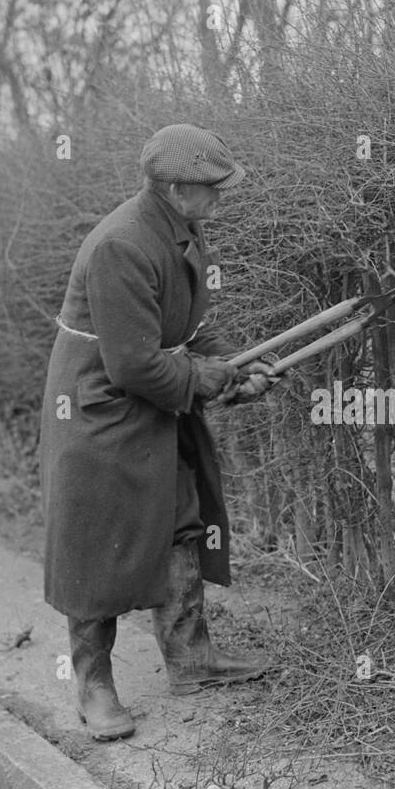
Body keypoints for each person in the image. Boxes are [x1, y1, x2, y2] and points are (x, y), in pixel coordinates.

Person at [39, 123, 278, 740]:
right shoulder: (123, 244)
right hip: (97, 406)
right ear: (175, 187)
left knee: (180, 515)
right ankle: (94, 688)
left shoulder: (181, 230)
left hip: (146, 396)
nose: (219, 200)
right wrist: (207, 380)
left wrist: (239, 367)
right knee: (94, 542)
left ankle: (191, 660)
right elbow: (134, 363)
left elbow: (186, 336)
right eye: (212, 189)